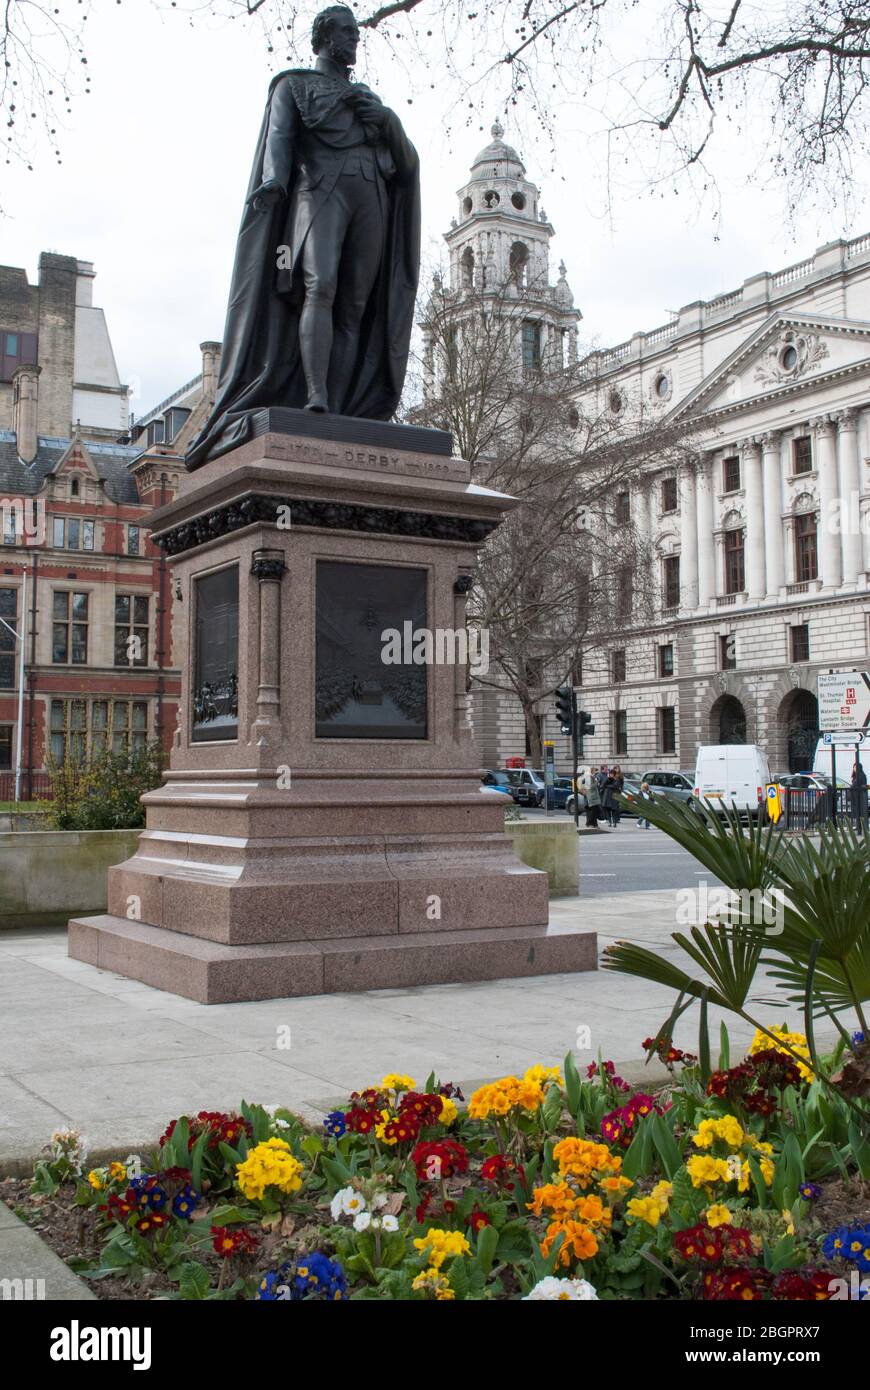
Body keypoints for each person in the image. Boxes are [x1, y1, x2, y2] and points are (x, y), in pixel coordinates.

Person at [186, 4, 421, 468]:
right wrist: (273, 182)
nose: (355, 39)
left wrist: (388, 120)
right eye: (347, 32)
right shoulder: (293, 85)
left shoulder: (368, 99)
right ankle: (316, 396)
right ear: (325, 37)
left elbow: (407, 162)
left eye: (357, 32)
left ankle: (343, 401)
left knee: (357, 304)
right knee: (321, 287)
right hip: (319, 191)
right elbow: (279, 138)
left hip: (370, 194)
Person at [852, 759, 868, 828]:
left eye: (855, 767)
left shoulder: (860, 775)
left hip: (859, 796)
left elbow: (855, 785)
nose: (854, 769)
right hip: (856, 796)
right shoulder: (857, 775)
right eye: (854, 767)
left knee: (859, 811)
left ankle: (860, 826)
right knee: (857, 811)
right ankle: (859, 825)